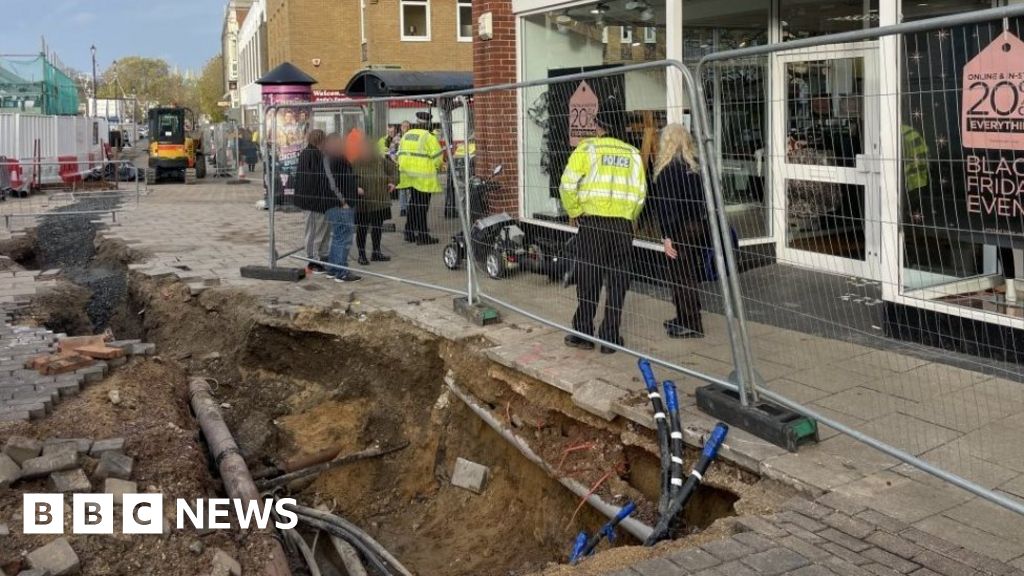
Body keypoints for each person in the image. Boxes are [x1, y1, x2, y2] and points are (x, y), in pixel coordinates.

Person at [559, 109, 646, 354]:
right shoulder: (633, 154)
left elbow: (567, 184)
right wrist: (631, 219)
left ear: (599, 126)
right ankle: (610, 337)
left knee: (589, 279)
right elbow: (640, 195)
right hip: (622, 227)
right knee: (618, 282)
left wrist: (575, 210)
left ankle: (583, 333)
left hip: (593, 225)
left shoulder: (588, 149)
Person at [650, 124, 708, 339]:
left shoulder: (668, 170)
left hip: (679, 228)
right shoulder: (696, 167)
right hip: (697, 226)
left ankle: (692, 323)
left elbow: (667, 207)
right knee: (688, 272)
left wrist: (667, 237)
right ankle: (685, 317)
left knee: (681, 277)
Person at [352, 133, 399, 265]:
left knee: (377, 227)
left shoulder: (380, 160)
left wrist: (393, 181)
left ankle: (376, 252)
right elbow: (347, 178)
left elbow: (394, 170)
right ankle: (362, 254)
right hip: (363, 203)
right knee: (362, 228)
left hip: (379, 200)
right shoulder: (354, 163)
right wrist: (355, 187)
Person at [322, 133, 362, 283]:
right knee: (344, 238)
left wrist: (355, 187)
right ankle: (341, 271)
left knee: (339, 236)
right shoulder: (328, 159)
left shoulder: (340, 158)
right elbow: (331, 183)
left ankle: (333, 269)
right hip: (339, 205)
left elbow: (347, 177)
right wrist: (342, 201)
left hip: (345, 201)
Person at [397, 120, 443, 245]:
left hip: (409, 175)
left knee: (413, 204)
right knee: (422, 206)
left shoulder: (406, 135)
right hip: (424, 177)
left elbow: (399, 154)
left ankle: (409, 232)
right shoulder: (428, 137)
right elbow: (438, 158)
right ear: (428, 126)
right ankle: (423, 236)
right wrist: (437, 167)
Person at [293, 129, 332, 273]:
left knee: (321, 231)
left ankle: (321, 257)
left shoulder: (312, 154)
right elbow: (314, 179)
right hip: (314, 201)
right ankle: (312, 261)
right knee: (314, 231)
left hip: (318, 201)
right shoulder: (312, 155)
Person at [397, 121, 411, 216]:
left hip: (410, 167)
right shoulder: (397, 138)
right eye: (403, 126)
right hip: (401, 167)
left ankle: (409, 208)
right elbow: (392, 151)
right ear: (401, 127)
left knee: (410, 189)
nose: (405, 128)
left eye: (407, 126)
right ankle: (403, 208)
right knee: (402, 190)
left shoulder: (412, 137)